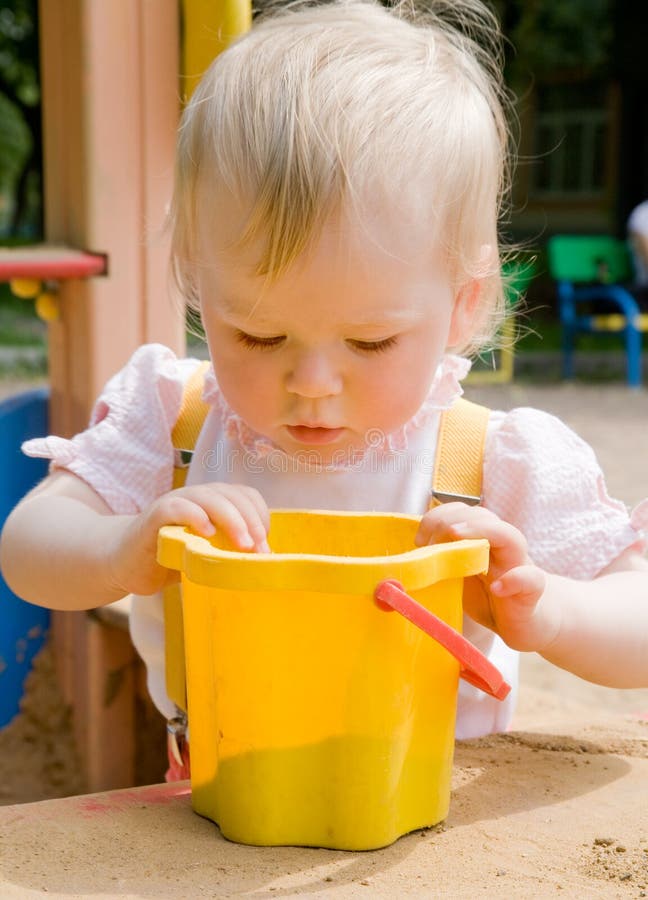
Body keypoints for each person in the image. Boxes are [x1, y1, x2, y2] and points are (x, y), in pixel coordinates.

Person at [1, 0, 648, 774]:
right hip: (216, 792)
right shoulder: (178, 423)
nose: (310, 384)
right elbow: (28, 550)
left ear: (464, 303)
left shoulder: (489, 462)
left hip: (434, 811)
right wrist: (122, 548)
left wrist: (550, 610)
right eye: (257, 335)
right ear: (197, 281)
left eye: (371, 341)